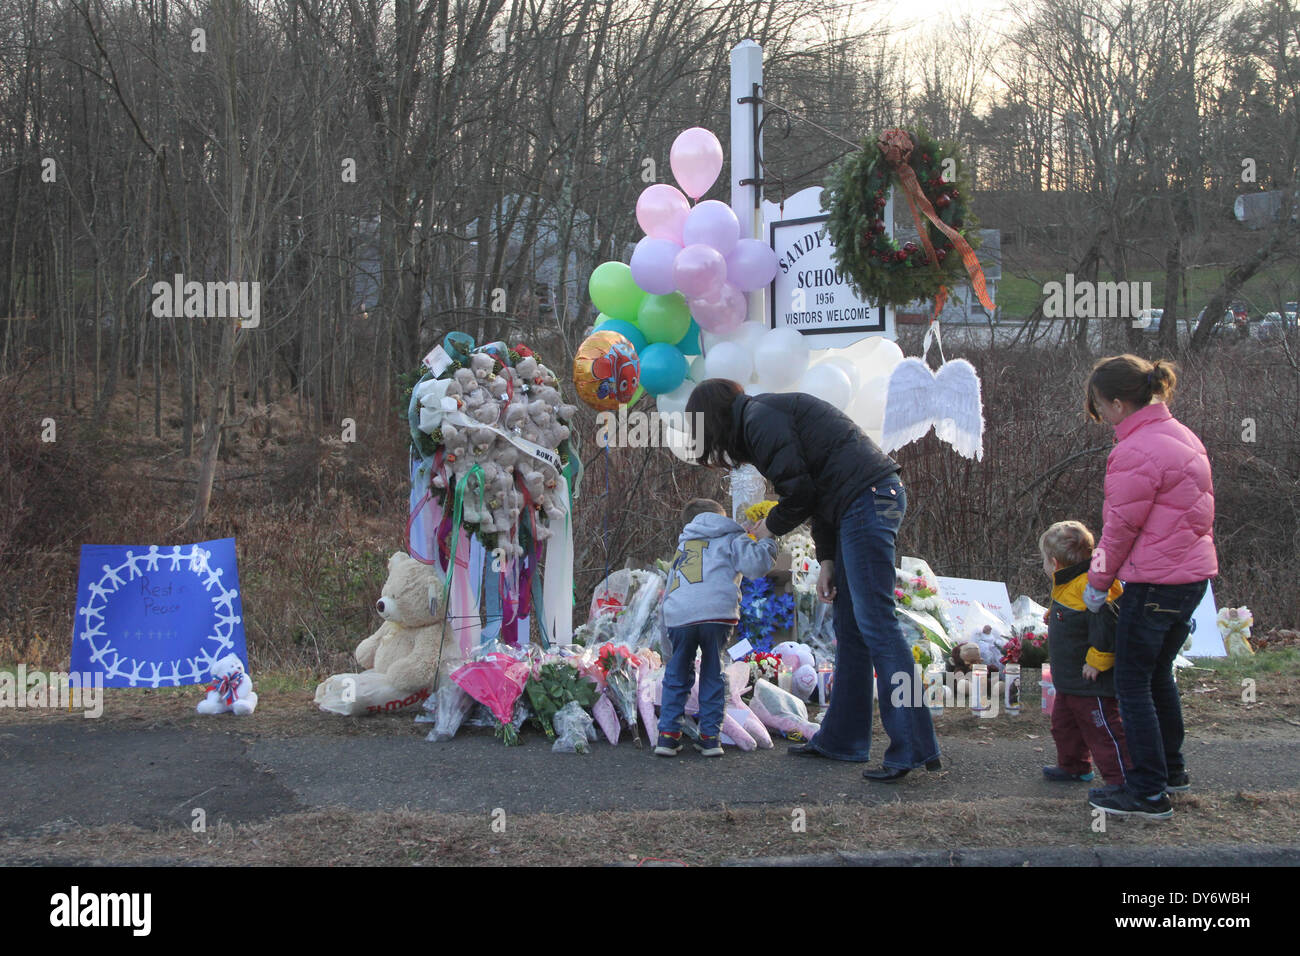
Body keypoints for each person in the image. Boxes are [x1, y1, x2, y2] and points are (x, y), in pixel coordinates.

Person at [684, 379, 940, 780]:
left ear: (712, 420)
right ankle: (844, 740)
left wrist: (768, 526)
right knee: (850, 627)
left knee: (877, 624)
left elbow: (801, 493)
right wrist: (827, 559)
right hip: (857, 503)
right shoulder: (759, 419)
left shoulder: (759, 420)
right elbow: (820, 492)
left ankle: (913, 745)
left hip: (870, 498)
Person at [1082, 356, 1217, 819]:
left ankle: (1146, 791)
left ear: (1119, 403)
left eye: (1101, 406)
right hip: (1190, 579)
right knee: (1158, 675)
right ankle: (1171, 772)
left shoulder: (1135, 451)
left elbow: (1118, 529)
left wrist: (1097, 583)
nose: (1102, 415)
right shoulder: (1182, 436)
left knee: (1132, 684)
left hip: (1153, 584)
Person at [656, 497, 777, 757]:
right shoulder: (733, 537)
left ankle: (667, 735)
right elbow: (756, 566)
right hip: (717, 614)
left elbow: (668, 593)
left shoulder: (684, 546)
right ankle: (710, 737)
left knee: (677, 672)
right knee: (713, 670)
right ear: (722, 518)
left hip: (679, 616)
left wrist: (667, 647)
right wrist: (768, 539)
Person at [1038, 520, 1129, 787]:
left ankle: (1122, 779)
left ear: (1054, 563)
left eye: (1044, 561)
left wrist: (1098, 660)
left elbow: (1108, 624)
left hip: (1090, 681)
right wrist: (1055, 614)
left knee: (1103, 730)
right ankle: (1074, 766)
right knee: (1064, 727)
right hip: (1068, 680)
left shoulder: (1090, 585)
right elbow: (1073, 609)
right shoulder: (1069, 582)